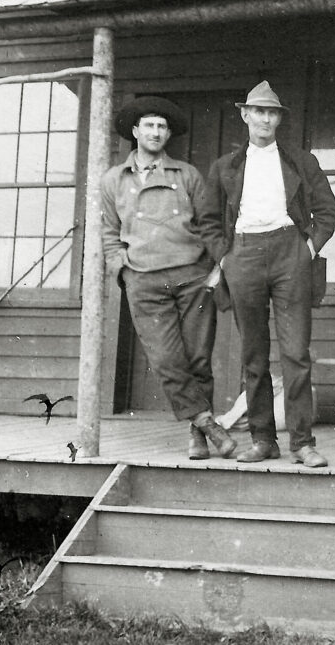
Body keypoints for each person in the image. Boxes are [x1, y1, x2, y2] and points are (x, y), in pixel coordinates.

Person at [200, 81, 335, 465]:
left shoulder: (300, 161)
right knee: (254, 355)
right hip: (242, 254)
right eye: (258, 111)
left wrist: (308, 248)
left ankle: (302, 443)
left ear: (279, 119)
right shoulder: (225, 167)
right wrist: (225, 258)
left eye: (272, 112)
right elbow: (209, 221)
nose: (265, 118)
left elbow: (327, 211)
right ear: (245, 115)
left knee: (295, 352)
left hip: (289, 252)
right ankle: (263, 439)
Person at [100, 96, 235, 461]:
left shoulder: (187, 174)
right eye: (149, 125)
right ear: (135, 131)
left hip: (192, 276)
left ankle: (198, 435)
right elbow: (108, 233)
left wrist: (213, 269)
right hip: (143, 280)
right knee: (165, 360)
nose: (156, 132)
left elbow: (210, 223)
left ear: (168, 134)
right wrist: (122, 269)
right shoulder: (113, 180)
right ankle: (208, 422)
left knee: (198, 359)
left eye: (162, 126)